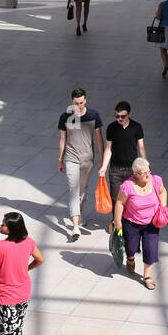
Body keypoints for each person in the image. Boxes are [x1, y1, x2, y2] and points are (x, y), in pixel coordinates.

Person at [113, 158, 168, 289]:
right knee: (131, 246)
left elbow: (163, 191)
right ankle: (130, 258)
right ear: (135, 174)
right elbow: (120, 203)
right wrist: (117, 221)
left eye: (149, 171)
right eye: (144, 173)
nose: (148, 175)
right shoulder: (127, 186)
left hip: (152, 223)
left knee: (151, 248)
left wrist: (163, 206)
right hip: (131, 223)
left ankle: (147, 276)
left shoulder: (156, 180)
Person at [57, 87, 104, 240]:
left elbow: (99, 138)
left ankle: (78, 213)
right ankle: (75, 226)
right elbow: (62, 139)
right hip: (71, 158)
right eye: (76, 103)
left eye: (81, 102)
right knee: (73, 190)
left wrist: (103, 159)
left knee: (83, 189)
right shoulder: (65, 117)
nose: (79, 105)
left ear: (86, 100)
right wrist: (60, 159)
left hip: (88, 159)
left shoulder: (93, 115)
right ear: (72, 101)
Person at [98, 102, 147, 218]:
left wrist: (145, 165)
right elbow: (108, 148)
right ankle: (116, 222)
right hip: (115, 170)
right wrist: (104, 166)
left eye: (122, 116)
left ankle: (128, 222)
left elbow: (141, 147)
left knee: (131, 198)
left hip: (132, 170)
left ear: (129, 114)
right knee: (116, 199)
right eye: (117, 116)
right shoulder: (111, 128)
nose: (119, 119)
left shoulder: (136, 127)